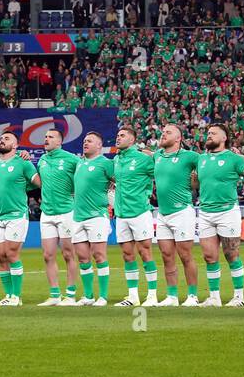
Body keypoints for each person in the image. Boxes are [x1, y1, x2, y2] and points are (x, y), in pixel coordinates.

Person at [196, 123, 244, 307]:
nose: (209, 135)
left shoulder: (234, 159)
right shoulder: (201, 159)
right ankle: (214, 297)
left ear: (224, 138)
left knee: (231, 254)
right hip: (205, 211)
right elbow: (194, 183)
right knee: (209, 257)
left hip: (227, 211)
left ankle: (239, 296)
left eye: (213, 133)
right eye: (208, 133)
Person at [0, 131, 37, 306]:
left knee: (11, 254)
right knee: (1, 256)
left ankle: (16, 296)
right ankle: (8, 296)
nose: (2, 140)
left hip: (17, 214)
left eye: (7, 139)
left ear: (16, 146)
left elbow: (40, 183)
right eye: (1, 138)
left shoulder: (23, 162)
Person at [152, 123, 200, 306]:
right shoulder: (157, 156)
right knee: (166, 255)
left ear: (179, 138)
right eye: (163, 131)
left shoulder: (190, 156)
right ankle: (172, 296)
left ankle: (193, 296)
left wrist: (197, 182)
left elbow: (205, 167)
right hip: (163, 213)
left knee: (185, 255)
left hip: (182, 211)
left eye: (168, 132)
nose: (163, 134)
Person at [113, 125, 158, 307]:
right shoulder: (116, 159)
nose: (118, 138)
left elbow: (161, 174)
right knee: (127, 254)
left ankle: (152, 295)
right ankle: (133, 296)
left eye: (122, 135)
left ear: (132, 140)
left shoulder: (143, 159)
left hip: (140, 212)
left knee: (145, 252)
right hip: (121, 214)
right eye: (117, 135)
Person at [36, 128, 81, 306]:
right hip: (46, 213)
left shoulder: (71, 159)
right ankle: (54, 295)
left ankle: (70, 295)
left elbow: (84, 177)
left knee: (69, 254)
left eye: (50, 137)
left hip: (67, 212)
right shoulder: (42, 160)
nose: (46, 139)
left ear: (59, 142)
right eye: (45, 136)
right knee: (48, 255)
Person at [71, 132, 115, 306]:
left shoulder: (105, 163)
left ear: (99, 145)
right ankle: (88, 296)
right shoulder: (79, 163)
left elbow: (118, 180)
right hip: (78, 216)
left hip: (97, 215)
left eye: (89, 141)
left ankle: (102, 297)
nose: (85, 143)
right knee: (82, 257)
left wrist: (113, 198)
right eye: (84, 141)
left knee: (99, 255)